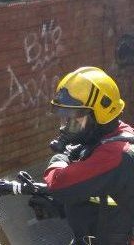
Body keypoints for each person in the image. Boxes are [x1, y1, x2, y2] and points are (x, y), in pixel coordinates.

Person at [43, 66, 134, 245]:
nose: (66, 126)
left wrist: (60, 158)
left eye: (75, 119)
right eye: (65, 118)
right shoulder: (117, 134)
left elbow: (58, 183)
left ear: (101, 114)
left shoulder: (114, 154)